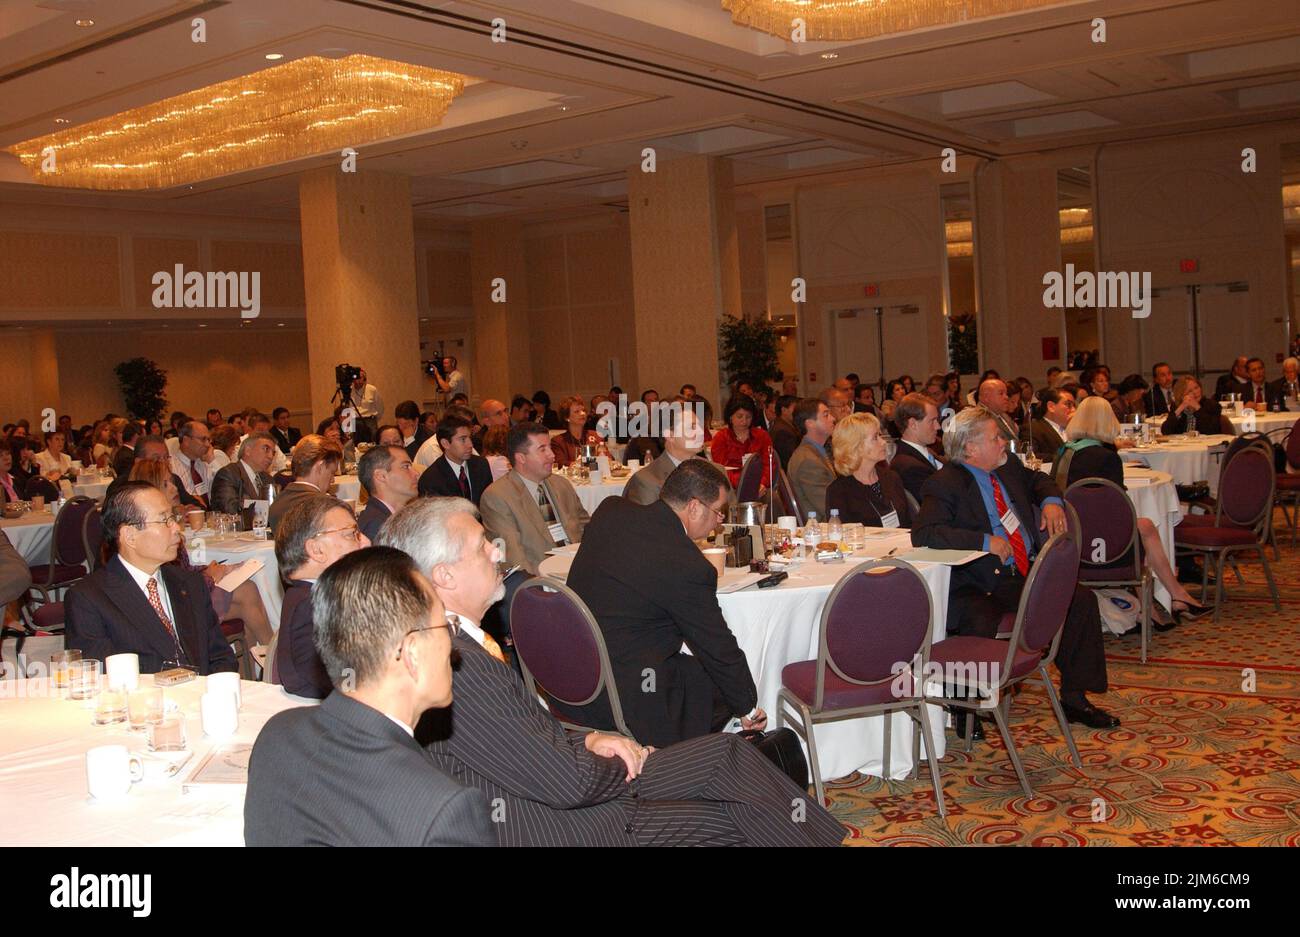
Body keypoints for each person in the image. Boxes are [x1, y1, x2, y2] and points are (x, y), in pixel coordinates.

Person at [377, 498, 843, 847]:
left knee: (727, 757)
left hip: (550, 785)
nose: (498, 553)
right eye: (482, 547)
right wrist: (629, 759)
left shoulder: (452, 643)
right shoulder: (455, 661)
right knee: (731, 809)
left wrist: (591, 740)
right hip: (547, 824)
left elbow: (517, 744)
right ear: (445, 576)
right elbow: (561, 784)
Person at [245, 546, 492, 846]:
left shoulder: (277, 735)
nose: (453, 647)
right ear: (412, 652)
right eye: (447, 626)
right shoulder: (445, 810)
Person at [911, 407, 1117, 730]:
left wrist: (1051, 500)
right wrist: (983, 541)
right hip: (981, 579)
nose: (1003, 443)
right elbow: (926, 533)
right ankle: (965, 707)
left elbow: (1040, 479)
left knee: (1080, 601)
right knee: (977, 616)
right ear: (970, 448)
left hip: (1021, 571)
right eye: (995, 438)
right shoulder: (945, 483)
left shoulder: (1007, 468)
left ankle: (1075, 698)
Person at [565, 460, 763, 746]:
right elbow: (717, 647)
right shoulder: (687, 565)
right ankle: (676, 769)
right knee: (718, 687)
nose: (719, 521)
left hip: (570, 669)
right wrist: (748, 707)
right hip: (627, 690)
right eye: (718, 512)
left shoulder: (611, 510)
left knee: (693, 670)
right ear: (694, 507)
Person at [1062, 397, 1212, 625]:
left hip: (1073, 538)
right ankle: (1172, 597)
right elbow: (1117, 506)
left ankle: (1164, 601)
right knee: (1146, 527)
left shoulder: (1064, 454)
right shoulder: (1107, 458)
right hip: (1106, 545)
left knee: (1145, 526)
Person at [64, 482, 238, 674]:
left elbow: (221, 657)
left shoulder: (190, 583)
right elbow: (103, 679)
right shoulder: (89, 599)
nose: (176, 529)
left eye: (172, 518)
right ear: (129, 536)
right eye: (164, 521)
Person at [128, 460, 273, 644]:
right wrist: (210, 576)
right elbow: (171, 582)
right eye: (166, 483)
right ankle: (270, 659)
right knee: (247, 595)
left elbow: (184, 570)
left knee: (247, 594)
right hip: (175, 604)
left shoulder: (169, 528)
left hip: (187, 592)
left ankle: (264, 660)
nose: (174, 488)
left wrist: (217, 569)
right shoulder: (154, 537)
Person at [272, 494, 370, 699]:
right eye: (352, 534)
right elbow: (333, 678)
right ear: (316, 550)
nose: (366, 543)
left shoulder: (315, 597)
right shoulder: (309, 606)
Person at [479, 422, 589, 576]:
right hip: (542, 578)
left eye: (550, 447)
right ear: (521, 458)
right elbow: (513, 560)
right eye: (542, 449)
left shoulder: (561, 484)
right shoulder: (497, 497)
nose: (552, 455)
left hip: (579, 568)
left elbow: (587, 529)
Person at [827, 413, 910, 528]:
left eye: (880, 435)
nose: (883, 442)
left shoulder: (892, 478)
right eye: (875, 438)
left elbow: (909, 523)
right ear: (856, 446)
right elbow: (843, 539)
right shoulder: (839, 491)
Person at [624, 404, 706, 505]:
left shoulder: (717, 471)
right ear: (670, 435)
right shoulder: (647, 481)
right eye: (692, 427)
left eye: (700, 426)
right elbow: (645, 520)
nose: (701, 432)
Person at [268, 435, 343, 535]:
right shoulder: (325, 506)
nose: (333, 480)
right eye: (332, 473)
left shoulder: (277, 504)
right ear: (320, 467)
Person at [418, 415, 493, 505]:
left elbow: (488, 503)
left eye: (470, 438)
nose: (470, 444)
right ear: (445, 443)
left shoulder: (481, 464)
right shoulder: (431, 480)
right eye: (463, 439)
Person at [356, 444, 420, 541]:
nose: (416, 473)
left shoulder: (389, 518)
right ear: (381, 476)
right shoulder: (376, 526)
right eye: (406, 467)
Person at [788, 398, 836, 519]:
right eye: (826, 415)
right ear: (810, 423)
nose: (833, 418)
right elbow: (829, 507)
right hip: (821, 529)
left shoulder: (816, 452)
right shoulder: (808, 461)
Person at [710, 396, 771, 491]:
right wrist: (744, 484)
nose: (744, 421)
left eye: (748, 417)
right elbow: (722, 469)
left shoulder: (762, 436)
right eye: (739, 416)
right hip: (731, 489)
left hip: (760, 487)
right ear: (730, 417)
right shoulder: (721, 438)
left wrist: (762, 483)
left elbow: (769, 464)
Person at [890, 393, 943, 503]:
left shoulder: (926, 453)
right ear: (913, 424)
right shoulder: (909, 467)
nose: (938, 426)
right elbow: (938, 505)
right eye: (932, 421)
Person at [209, 431, 276, 516]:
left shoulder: (267, 478)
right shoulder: (228, 474)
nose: (270, 456)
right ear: (248, 450)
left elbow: (276, 509)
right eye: (266, 449)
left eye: (273, 453)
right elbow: (229, 510)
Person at [170, 421, 217, 508]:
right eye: (203, 439)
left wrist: (212, 460)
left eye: (208, 439)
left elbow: (221, 488)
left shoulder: (204, 464)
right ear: (186, 441)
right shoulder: (171, 466)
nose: (208, 444)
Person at [1161, 376, 1226, 436]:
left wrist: (1198, 408)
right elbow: (1165, 431)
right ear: (1181, 395)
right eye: (1190, 391)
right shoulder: (1176, 407)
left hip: (1205, 445)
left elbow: (1212, 430)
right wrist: (1181, 408)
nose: (1195, 392)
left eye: (1196, 388)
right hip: (1183, 445)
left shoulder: (1212, 405)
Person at [550, 397, 600, 468]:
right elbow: (559, 463)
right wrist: (579, 464)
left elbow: (608, 458)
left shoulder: (596, 435)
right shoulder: (558, 441)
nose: (582, 413)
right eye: (577, 411)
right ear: (567, 417)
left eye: (583, 410)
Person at [1031, 387, 1076, 461]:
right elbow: (1032, 456)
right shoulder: (1034, 429)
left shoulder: (1074, 429)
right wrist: (1067, 458)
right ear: (1051, 406)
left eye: (1074, 405)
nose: (1074, 410)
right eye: (1068, 404)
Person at [768, 394, 800, 470]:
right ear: (784, 410)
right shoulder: (783, 431)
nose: (798, 411)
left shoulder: (782, 425)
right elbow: (790, 461)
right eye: (795, 408)